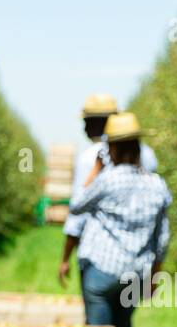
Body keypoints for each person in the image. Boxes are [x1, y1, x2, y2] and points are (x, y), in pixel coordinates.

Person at [68, 112, 171, 327]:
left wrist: (95, 171)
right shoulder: (156, 184)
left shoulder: (106, 180)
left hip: (100, 268)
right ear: (138, 146)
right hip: (136, 273)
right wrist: (154, 275)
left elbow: (76, 205)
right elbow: (162, 238)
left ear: (111, 148)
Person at [59, 94, 159, 289]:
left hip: (99, 259)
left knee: (98, 318)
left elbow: (77, 211)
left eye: (86, 122)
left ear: (96, 123)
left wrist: (65, 257)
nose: (83, 128)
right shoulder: (148, 156)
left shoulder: (91, 158)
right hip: (138, 261)